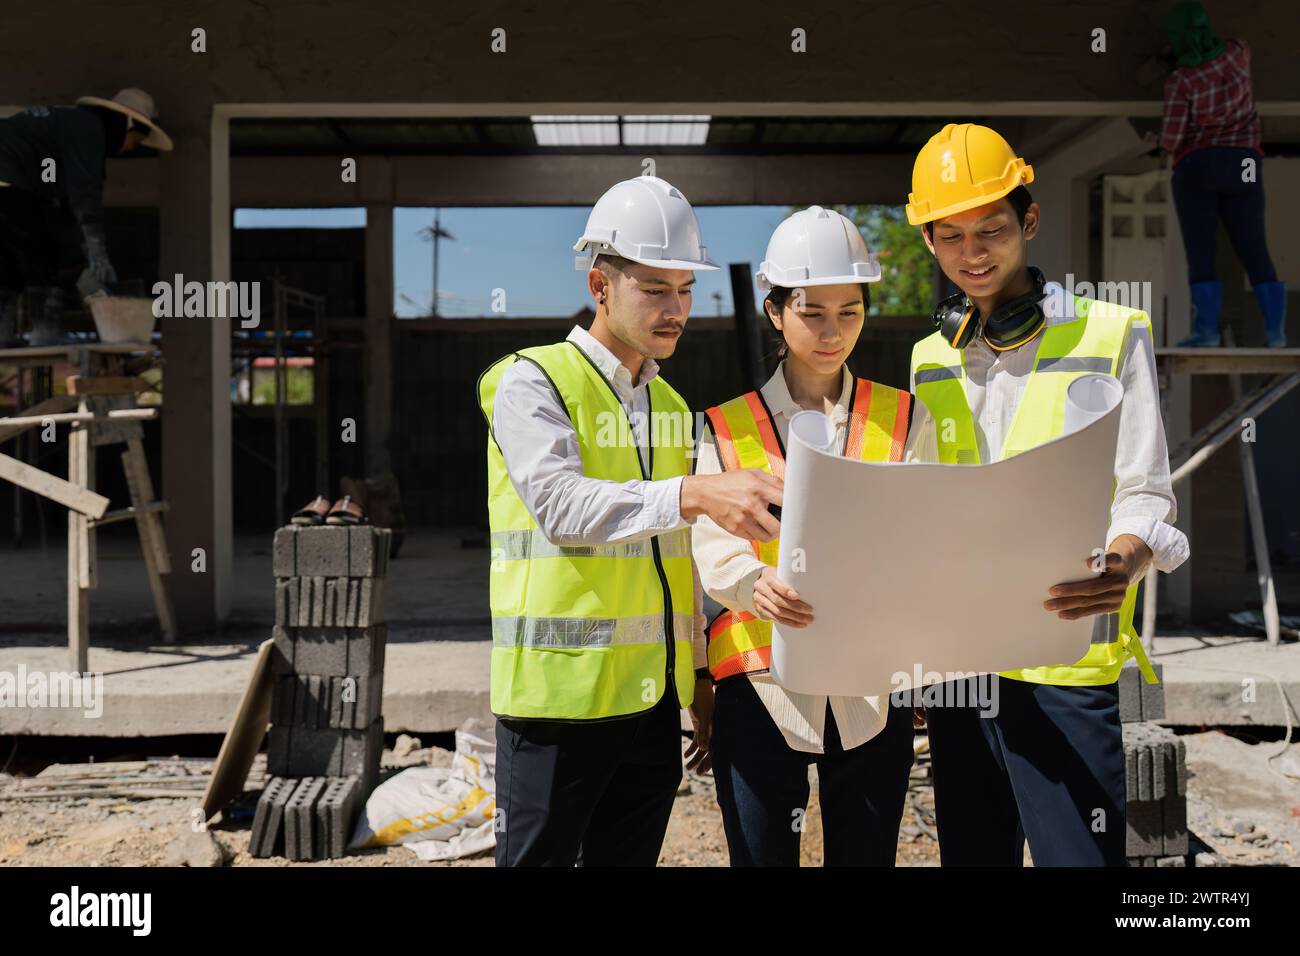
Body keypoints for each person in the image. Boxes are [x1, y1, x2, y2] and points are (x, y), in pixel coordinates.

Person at [478, 174, 785, 866]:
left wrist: (700, 675)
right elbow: (561, 508)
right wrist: (697, 493)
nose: (675, 309)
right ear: (601, 287)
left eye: (685, 289)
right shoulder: (533, 381)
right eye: (654, 289)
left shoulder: (672, 405)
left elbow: (676, 559)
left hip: (651, 704)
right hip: (557, 702)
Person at [905, 123, 1190, 866]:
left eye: (992, 229)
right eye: (951, 235)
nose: (973, 253)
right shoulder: (929, 357)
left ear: (1028, 222)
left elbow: (1147, 492)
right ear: (931, 242)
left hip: (1071, 666)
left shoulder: (1111, 333)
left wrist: (1123, 562)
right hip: (963, 664)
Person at [692, 206, 938, 866]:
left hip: (869, 681)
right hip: (759, 680)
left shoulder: (905, 417)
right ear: (774, 311)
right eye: (812, 311)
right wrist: (754, 583)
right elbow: (712, 550)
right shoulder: (724, 426)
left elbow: (923, 539)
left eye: (849, 311)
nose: (832, 331)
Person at [0, 88, 173, 347]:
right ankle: (46, 331)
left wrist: (78, 254)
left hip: (12, 182)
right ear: (128, 125)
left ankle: (2, 335)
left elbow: (59, 203)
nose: (130, 149)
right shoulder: (89, 129)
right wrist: (95, 250)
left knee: (7, 261)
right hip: (8, 181)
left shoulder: (62, 127)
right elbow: (85, 192)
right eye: (135, 141)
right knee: (44, 253)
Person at [1159, 1, 1286, 347]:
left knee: (1202, 250)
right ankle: (1276, 333)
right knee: (1253, 246)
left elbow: (1170, 139)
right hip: (1245, 163)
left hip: (1200, 165)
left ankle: (1206, 332)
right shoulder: (1238, 53)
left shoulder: (1181, 81)